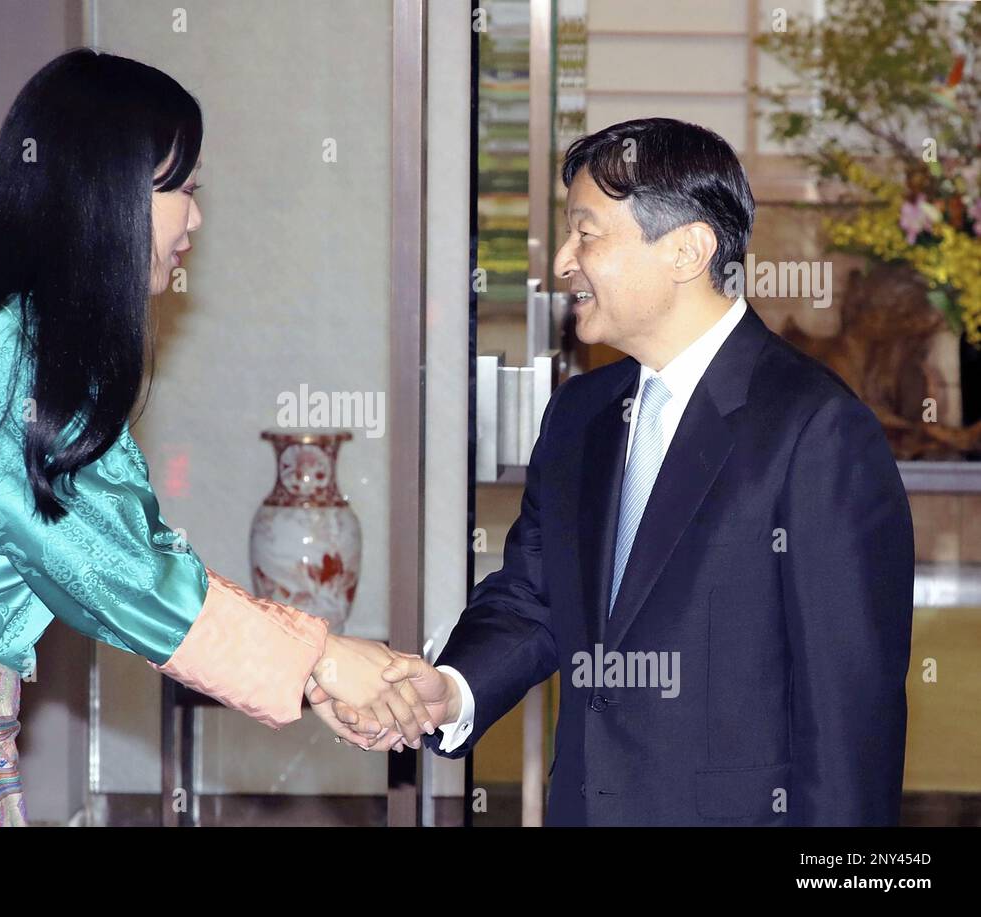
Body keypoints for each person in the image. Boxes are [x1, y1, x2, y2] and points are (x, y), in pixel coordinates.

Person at [0, 49, 428, 827]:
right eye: (182, 190)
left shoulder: (0, 331)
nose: (195, 218)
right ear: (110, 189)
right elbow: (113, 567)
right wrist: (321, 657)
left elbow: (133, 544)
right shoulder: (5, 357)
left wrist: (310, 667)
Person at [336, 118, 916, 826]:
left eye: (586, 234)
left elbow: (849, 716)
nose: (562, 263)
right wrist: (452, 689)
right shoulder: (580, 414)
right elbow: (533, 597)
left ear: (687, 249)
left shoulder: (816, 431)